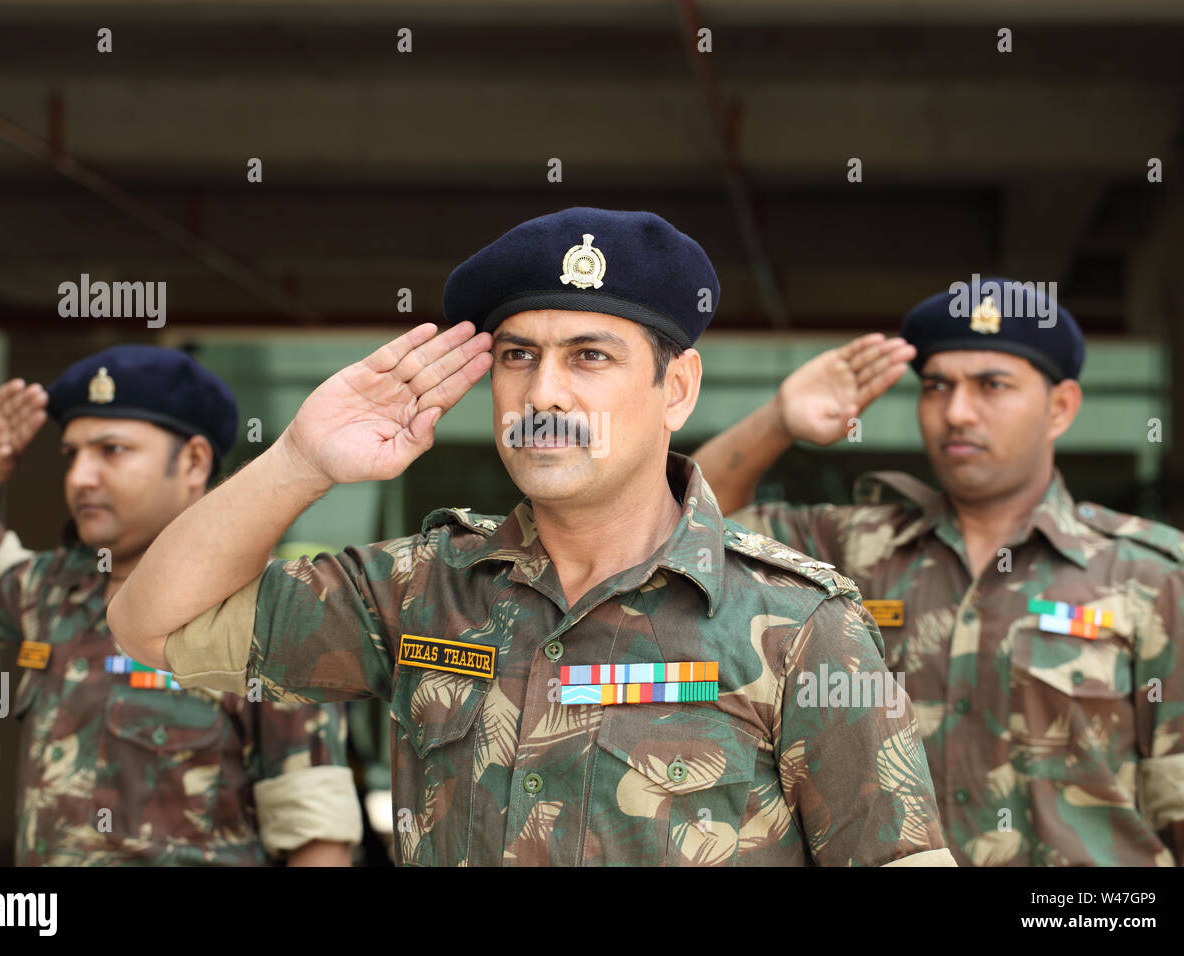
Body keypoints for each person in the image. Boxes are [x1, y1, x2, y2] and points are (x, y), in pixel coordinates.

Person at [108, 207, 953, 867]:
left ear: (677, 388)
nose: (543, 393)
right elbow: (152, 626)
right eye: (517, 356)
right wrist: (299, 460)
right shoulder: (423, 590)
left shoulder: (801, 625)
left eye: (589, 356)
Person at [692, 278, 1184, 866]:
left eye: (992, 385)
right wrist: (779, 420)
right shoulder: (852, 548)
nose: (957, 412)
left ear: (1060, 407)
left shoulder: (1149, 574)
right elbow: (693, 525)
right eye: (937, 387)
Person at [0, 345, 361, 866]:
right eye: (72, 454)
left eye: (111, 450)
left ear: (194, 461)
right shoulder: (57, 590)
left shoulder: (264, 615)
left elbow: (317, 840)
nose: (81, 476)